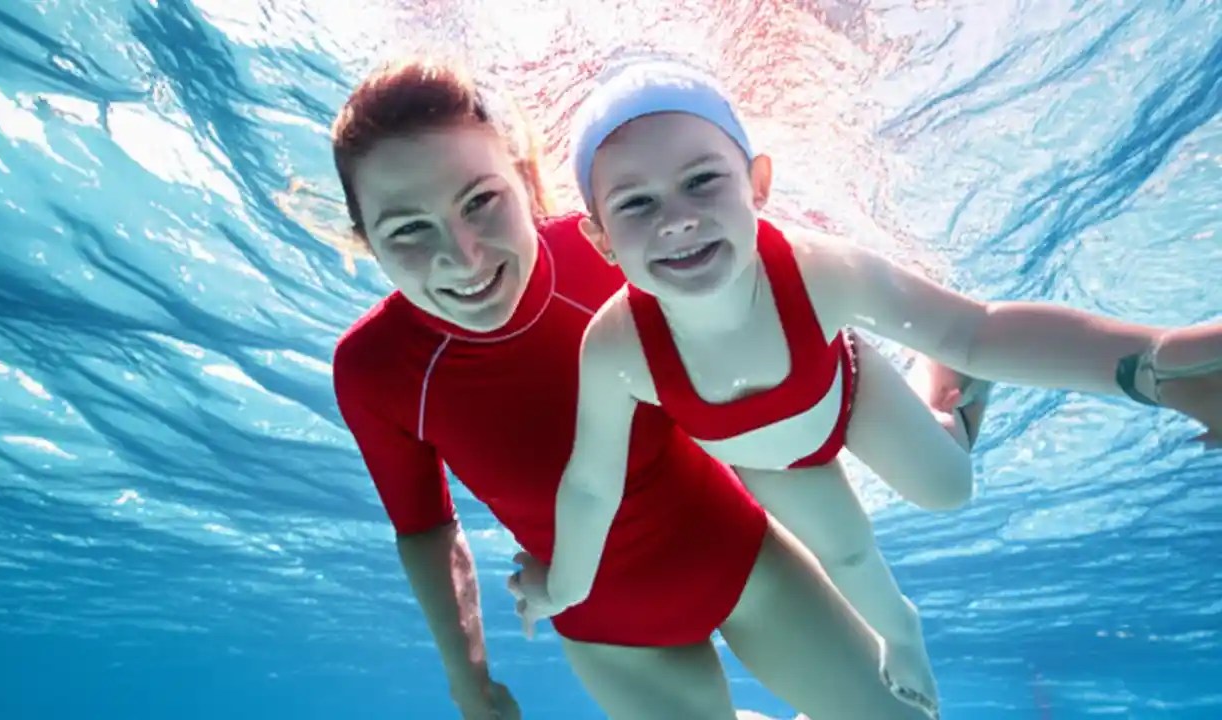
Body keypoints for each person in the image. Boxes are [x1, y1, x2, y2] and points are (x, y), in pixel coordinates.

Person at [513, 56, 1222, 718]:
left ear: (757, 185)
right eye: (636, 204)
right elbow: (590, 487)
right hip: (771, 461)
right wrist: (565, 585)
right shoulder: (614, 349)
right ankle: (901, 633)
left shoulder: (820, 272)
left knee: (950, 487)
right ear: (602, 239)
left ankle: (947, 394)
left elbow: (977, 329)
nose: (677, 218)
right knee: (848, 553)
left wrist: (1151, 362)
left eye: (702, 181)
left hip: (848, 393)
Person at [330, 56, 943, 720]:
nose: (463, 256)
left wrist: (936, 371)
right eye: (408, 230)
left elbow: (782, 309)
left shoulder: (621, 249)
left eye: (481, 202)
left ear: (528, 182)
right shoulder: (373, 369)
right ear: (365, 241)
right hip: (608, 633)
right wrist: (468, 682)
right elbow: (425, 531)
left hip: (742, 561)